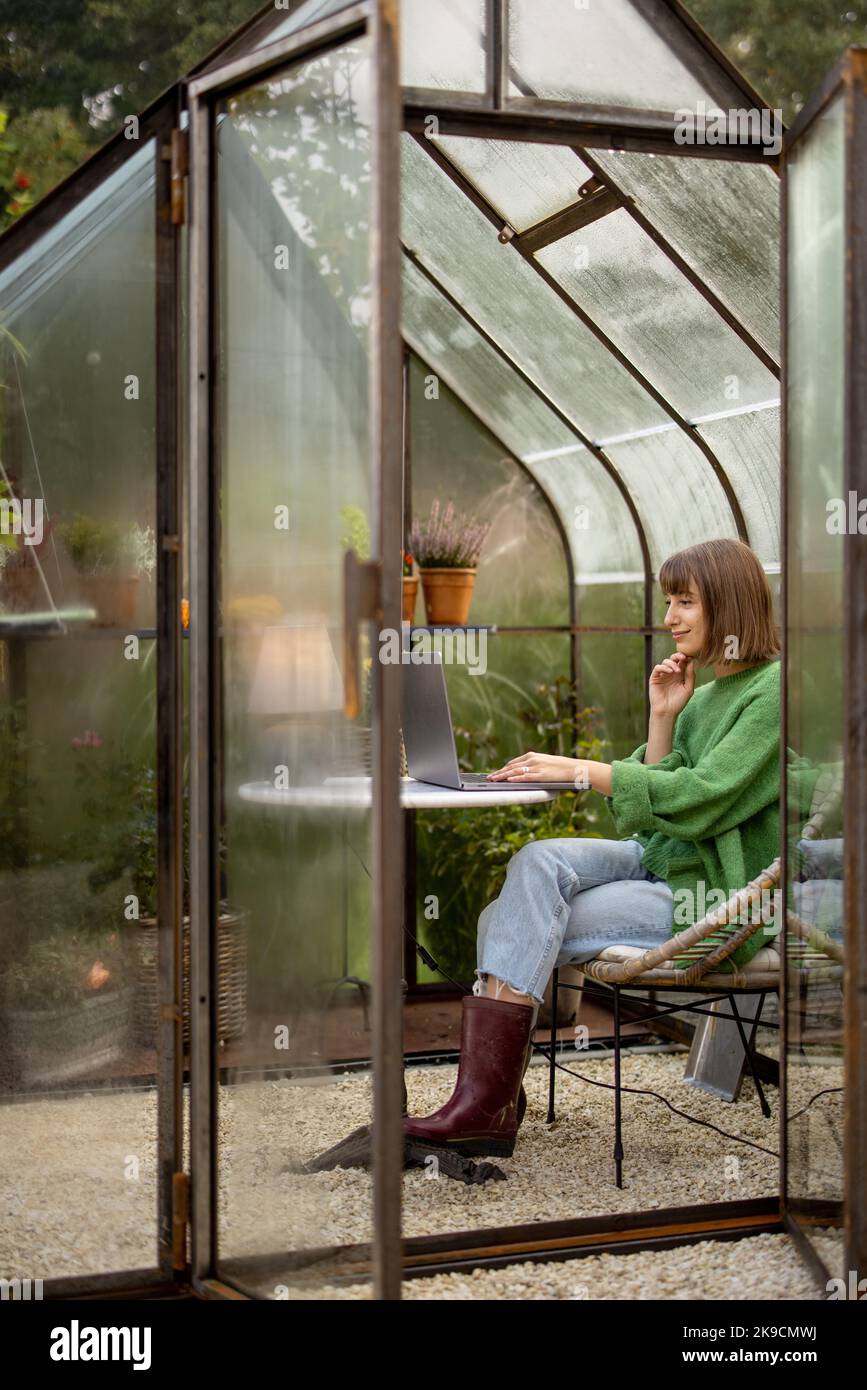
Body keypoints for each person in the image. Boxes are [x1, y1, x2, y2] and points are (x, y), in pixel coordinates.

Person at [403, 537, 784, 1158]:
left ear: (730, 604)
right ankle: (487, 1101)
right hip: (661, 856)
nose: (670, 618)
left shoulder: (773, 693)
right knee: (537, 860)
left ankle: (485, 1104)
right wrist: (663, 718)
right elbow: (661, 792)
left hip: (708, 889)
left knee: (504, 919)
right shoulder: (706, 694)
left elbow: (703, 797)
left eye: (684, 601)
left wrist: (575, 766)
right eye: (669, 601)